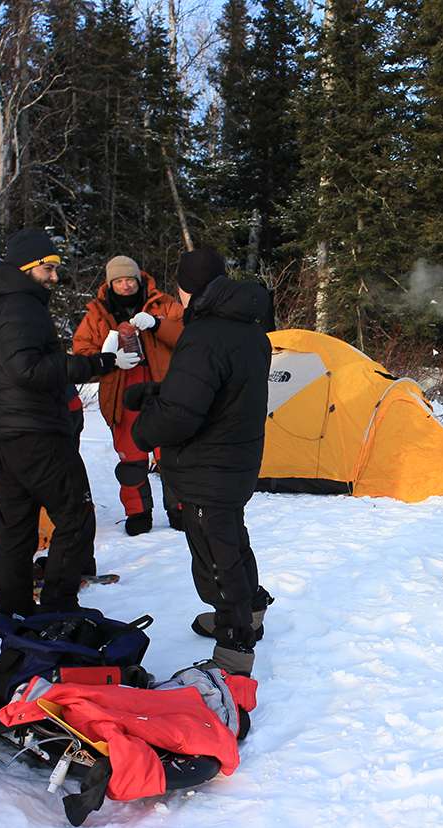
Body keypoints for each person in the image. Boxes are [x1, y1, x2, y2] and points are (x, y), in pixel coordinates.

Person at [0, 229, 140, 614]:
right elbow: (27, 368)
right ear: (27, 267)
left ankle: (13, 611)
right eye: (48, 268)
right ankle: (58, 607)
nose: (55, 277)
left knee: (15, 528)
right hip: (35, 433)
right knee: (76, 519)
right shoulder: (22, 306)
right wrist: (99, 363)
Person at [129, 248, 273, 676]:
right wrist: (157, 392)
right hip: (235, 459)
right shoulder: (250, 330)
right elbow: (218, 391)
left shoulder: (205, 334)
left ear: (184, 288)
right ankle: (252, 609)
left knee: (215, 555)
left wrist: (144, 430)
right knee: (231, 537)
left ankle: (234, 644)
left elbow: (181, 414)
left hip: (207, 466)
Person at [72, 255, 184, 535]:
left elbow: (187, 337)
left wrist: (157, 325)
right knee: (131, 456)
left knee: (171, 451)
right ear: (110, 283)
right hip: (122, 390)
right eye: (119, 281)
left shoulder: (165, 305)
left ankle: (180, 508)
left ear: (139, 279)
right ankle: (138, 512)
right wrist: (108, 359)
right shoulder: (96, 313)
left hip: (163, 387)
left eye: (129, 280)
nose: (125, 286)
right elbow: (82, 352)